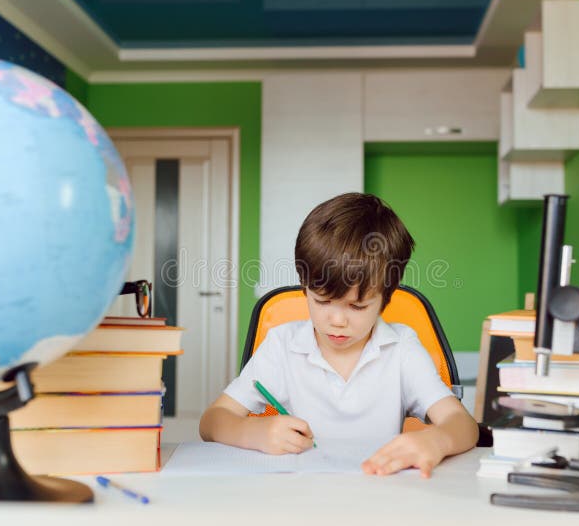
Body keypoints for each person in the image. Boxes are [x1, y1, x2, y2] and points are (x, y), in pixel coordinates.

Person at [199, 192, 478, 477]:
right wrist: (251, 431)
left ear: (385, 299)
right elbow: (211, 422)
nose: (337, 320)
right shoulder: (282, 345)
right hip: (300, 499)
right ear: (304, 287)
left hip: (379, 493)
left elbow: (463, 425)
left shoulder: (401, 348)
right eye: (321, 301)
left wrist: (437, 440)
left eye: (357, 306)